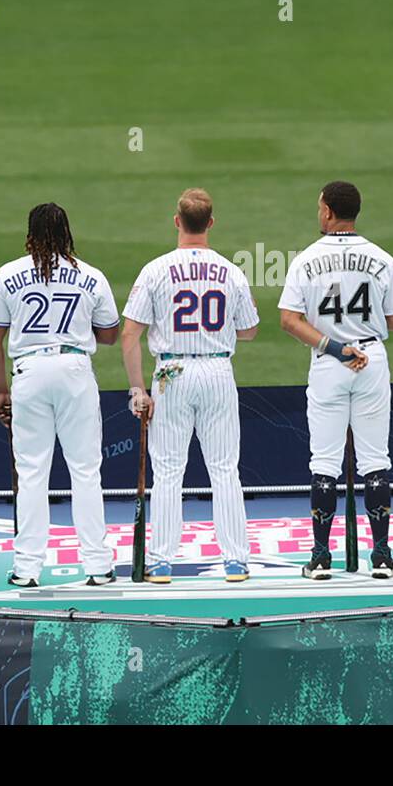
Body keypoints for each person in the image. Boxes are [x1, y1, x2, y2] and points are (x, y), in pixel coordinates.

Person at [120, 189, 258, 583]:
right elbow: (248, 331)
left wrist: (136, 389)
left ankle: (161, 561)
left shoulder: (155, 270)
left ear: (177, 220)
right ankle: (235, 561)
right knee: (225, 469)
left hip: (171, 373)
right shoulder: (231, 271)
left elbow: (130, 334)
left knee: (167, 470)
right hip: (217, 371)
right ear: (211, 223)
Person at [0, 203, 120, 587]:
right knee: (86, 471)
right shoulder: (90, 275)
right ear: (66, 232)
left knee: (31, 474)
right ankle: (97, 564)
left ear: (30, 232)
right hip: (74, 370)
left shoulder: (8, 274)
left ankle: (27, 568)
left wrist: (0, 389)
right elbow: (109, 334)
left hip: (29, 371)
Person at [278, 181, 393, 580]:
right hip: (371, 359)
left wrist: (335, 347)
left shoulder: (306, 260)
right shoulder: (382, 258)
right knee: (375, 462)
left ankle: (320, 558)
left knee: (324, 462)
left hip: (329, 362)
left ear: (328, 212)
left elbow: (288, 320)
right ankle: (383, 557)